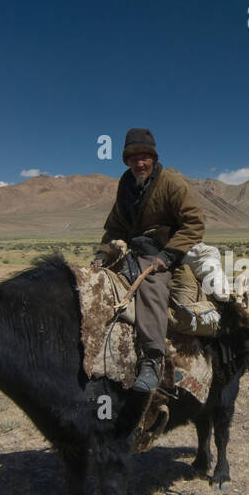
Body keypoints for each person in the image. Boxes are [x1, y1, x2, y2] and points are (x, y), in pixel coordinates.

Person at [92, 128, 205, 393]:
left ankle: (153, 360)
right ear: (126, 160)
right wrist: (102, 253)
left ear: (153, 157)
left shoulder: (171, 184)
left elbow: (193, 222)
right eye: (133, 157)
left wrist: (167, 255)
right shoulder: (126, 185)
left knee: (151, 286)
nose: (139, 162)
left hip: (161, 252)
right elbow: (116, 226)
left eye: (144, 156)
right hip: (131, 249)